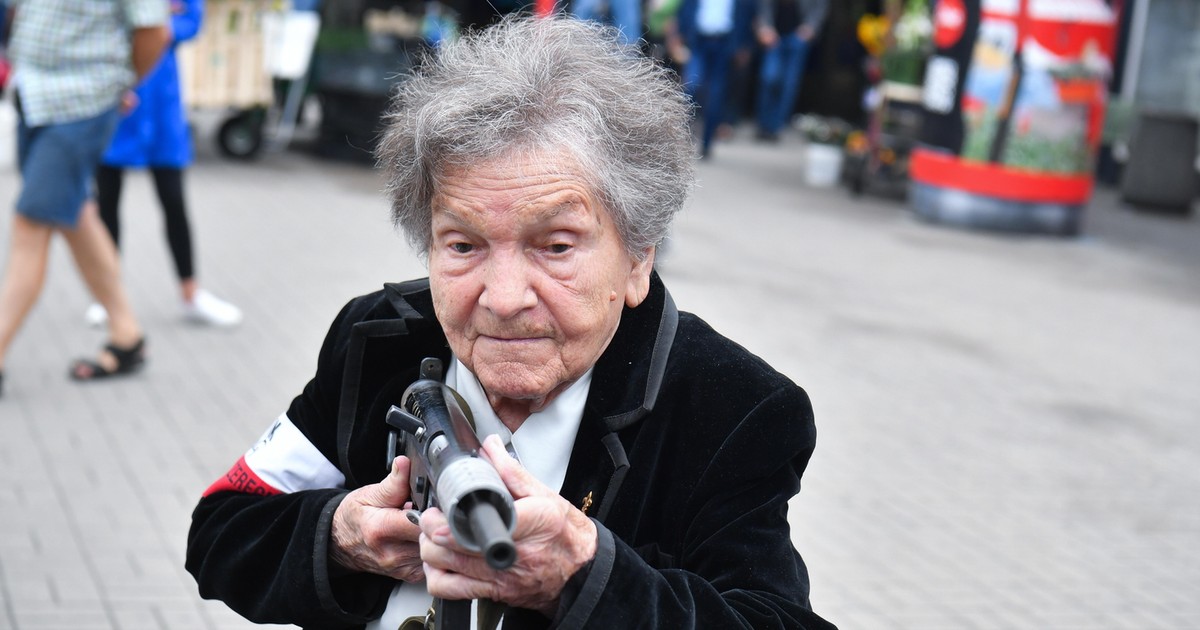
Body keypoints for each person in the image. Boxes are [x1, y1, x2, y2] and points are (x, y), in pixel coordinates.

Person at [186, 16, 835, 630]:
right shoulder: (378, 339)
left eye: (555, 246)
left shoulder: (730, 406)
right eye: (463, 245)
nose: (501, 298)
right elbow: (221, 529)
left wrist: (586, 578)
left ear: (639, 258)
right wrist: (340, 536)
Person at [0, 0, 170, 398]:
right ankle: (126, 335)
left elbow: (154, 32)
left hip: (80, 103)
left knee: (31, 223)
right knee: (75, 214)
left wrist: (118, 83)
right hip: (33, 95)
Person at [88, 0, 244, 329]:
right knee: (107, 201)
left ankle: (190, 294)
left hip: (162, 101)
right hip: (119, 96)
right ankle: (107, 296)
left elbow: (191, 21)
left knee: (173, 200)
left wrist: (151, 28)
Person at [674, 0, 757, 159]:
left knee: (715, 96)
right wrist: (679, 34)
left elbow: (747, 12)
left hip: (725, 44)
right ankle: (681, 139)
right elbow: (687, 7)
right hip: (698, 41)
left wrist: (745, 45)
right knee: (690, 87)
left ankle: (707, 143)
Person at [753, 0, 827, 141]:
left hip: (798, 35)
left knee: (788, 85)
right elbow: (763, 7)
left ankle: (775, 127)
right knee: (769, 78)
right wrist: (764, 27)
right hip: (774, 35)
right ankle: (763, 124)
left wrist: (811, 27)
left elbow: (820, 6)